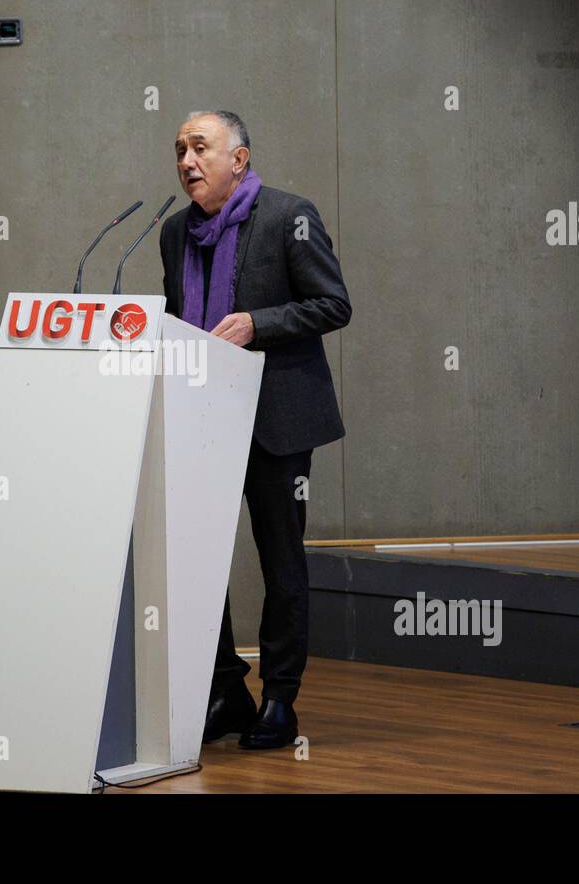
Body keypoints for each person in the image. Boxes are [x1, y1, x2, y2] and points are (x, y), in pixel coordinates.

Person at [159, 110, 352, 749]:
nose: (187, 161)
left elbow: (333, 304)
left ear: (238, 159)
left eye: (200, 148)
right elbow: (177, 318)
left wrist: (256, 324)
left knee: (280, 562)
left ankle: (280, 699)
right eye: (180, 150)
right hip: (201, 419)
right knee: (197, 562)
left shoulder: (289, 216)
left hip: (276, 420)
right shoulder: (174, 233)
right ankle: (226, 692)